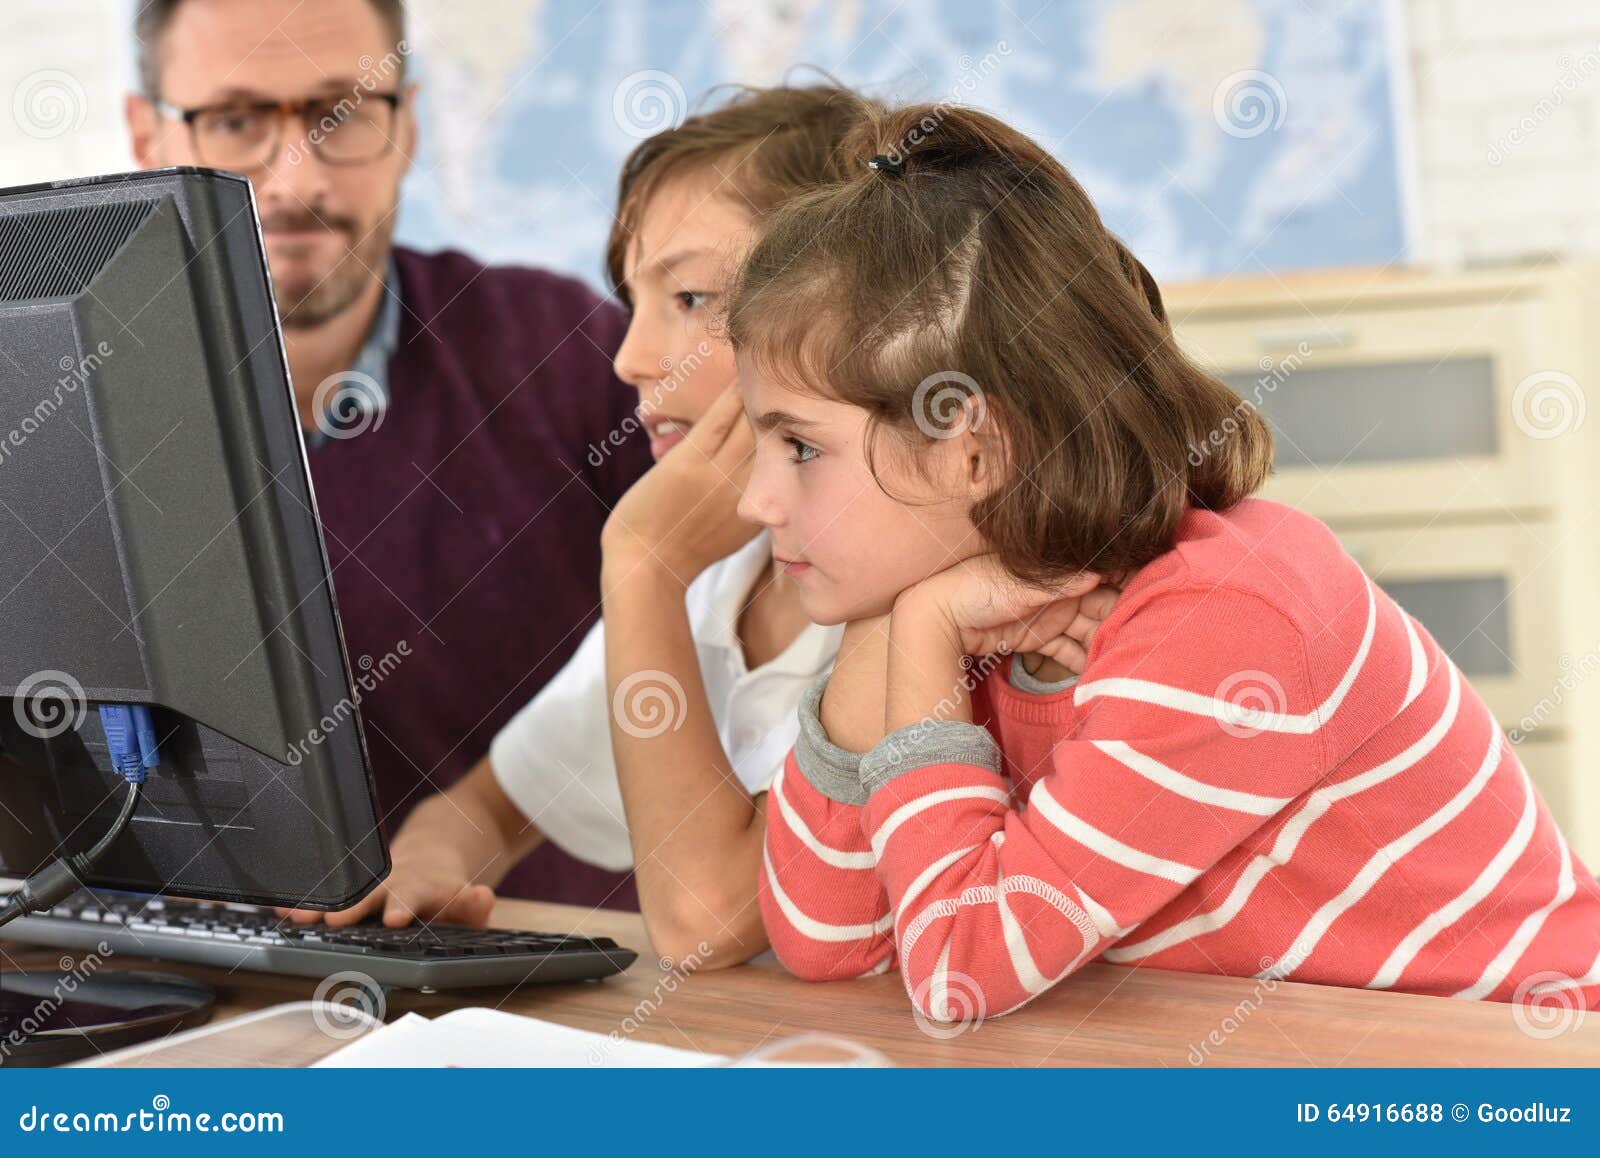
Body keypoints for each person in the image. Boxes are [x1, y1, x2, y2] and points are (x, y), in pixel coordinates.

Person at [733, 103, 1600, 1017]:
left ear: (973, 448)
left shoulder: (1225, 613)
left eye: (798, 447)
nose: (756, 500)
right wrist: (893, 626)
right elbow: (832, 943)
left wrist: (917, 634)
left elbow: (957, 971)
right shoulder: (964, 599)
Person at [125, 0, 652, 906]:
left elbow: (743, 625)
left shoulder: (570, 358)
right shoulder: (67, 397)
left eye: (342, 115)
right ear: (146, 133)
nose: (296, 181)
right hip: (173, 999)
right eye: (237, 122)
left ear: (407, 125)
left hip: (536, 1002)